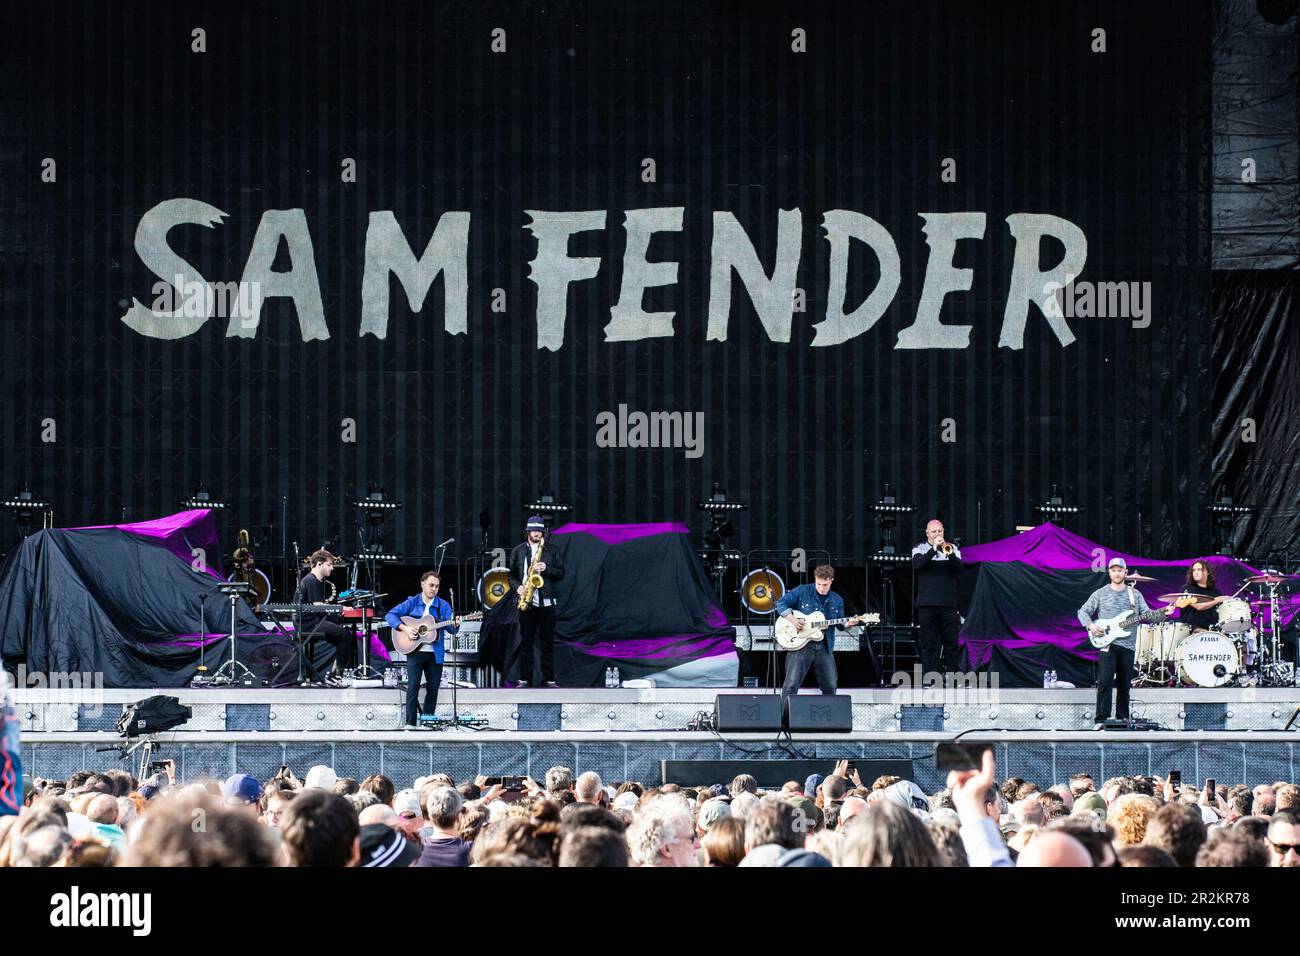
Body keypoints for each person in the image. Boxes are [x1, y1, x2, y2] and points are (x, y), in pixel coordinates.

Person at [1077, 558, 1170, 727]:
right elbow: (1082, 611)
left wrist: (1165, 612)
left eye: (1120, 570)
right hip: (1107, 644)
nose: (1117, 573)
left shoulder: (1134, 595)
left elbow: (1148, 616)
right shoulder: (1100, 593)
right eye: (1113, 570)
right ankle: (1101, 720)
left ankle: (1122, 718)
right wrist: (1090, 625)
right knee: (1105, 681)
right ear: (1109, 573)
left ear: (1125, 573)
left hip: (1128, 645)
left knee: (1124, 684)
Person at [774, 564, 862, 704]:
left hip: (824, 646)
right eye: (819, 584)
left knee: (830, 685)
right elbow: (781, 604)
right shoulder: (802, 591)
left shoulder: (837, 600)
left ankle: (828, 721)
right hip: (801, 645)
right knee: (791, 684)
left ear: (831, 580)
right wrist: (793, 619)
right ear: (815, 579)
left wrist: (848, 624)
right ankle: (784, 721)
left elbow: (840, 625)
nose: (821, 587)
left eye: (825, 585)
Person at [385, 570, 461, 729]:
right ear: (423, 584)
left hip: (435, 654)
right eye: (431, 585)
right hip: (414, 651)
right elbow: (390, 615)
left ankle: (427, 722)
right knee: (413, 686)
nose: (434, 589)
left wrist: (456, 624)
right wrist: (405, 629)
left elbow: (451, 630)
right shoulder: (412, 602)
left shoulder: (443, 605)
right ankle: (410, 723)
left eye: (437, 586)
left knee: (433, 689)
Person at [509, 515, 565, 687]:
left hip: (547, 602)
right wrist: (518, 587)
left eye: (539, 531)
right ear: (527, 531)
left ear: (543, 532)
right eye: (533, 530)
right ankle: (525, 678)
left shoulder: (552, 550)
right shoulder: (518, 551)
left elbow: (561, 573)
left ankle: (548, 679)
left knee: (547, 642)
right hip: (527, 601)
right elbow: (511, 575)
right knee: (526, 642)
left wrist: (547, 568)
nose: (537, 534)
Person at [911, 519, 963, 674]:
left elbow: (959, 569)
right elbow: (918, 565)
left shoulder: (952, 548)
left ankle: (954, 677)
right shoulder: (919, 548)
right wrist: (933, 549)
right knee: (929, 644)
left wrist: (950, 553)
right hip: (927, 604)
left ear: (943, 531)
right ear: (927, 533)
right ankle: (931, 678)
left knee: (951, 644)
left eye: (939, 531)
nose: (937, 534)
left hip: (948, 604)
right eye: (934, 531)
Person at [295, 550, 353, 686]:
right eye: (329, 565)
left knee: (341, 636)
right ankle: (336, 676)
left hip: (310, 622)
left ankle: (332, 675)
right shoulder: (311, 581)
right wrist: (341, 609)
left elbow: (319, 607)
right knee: (344, 636)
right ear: (319, 564)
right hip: (309, 624)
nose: (332, 568)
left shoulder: (313, 581)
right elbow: (319, 607)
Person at [1176, 559, 1225, 633]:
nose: (1196, 572)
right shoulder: (1187, 589)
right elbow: (1199, 606)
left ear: (1207, 572)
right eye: (1194, 570)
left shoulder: (1216, 592)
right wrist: (1218, 599)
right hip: (1192, 630)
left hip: (1213, 631)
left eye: (1199, 569)